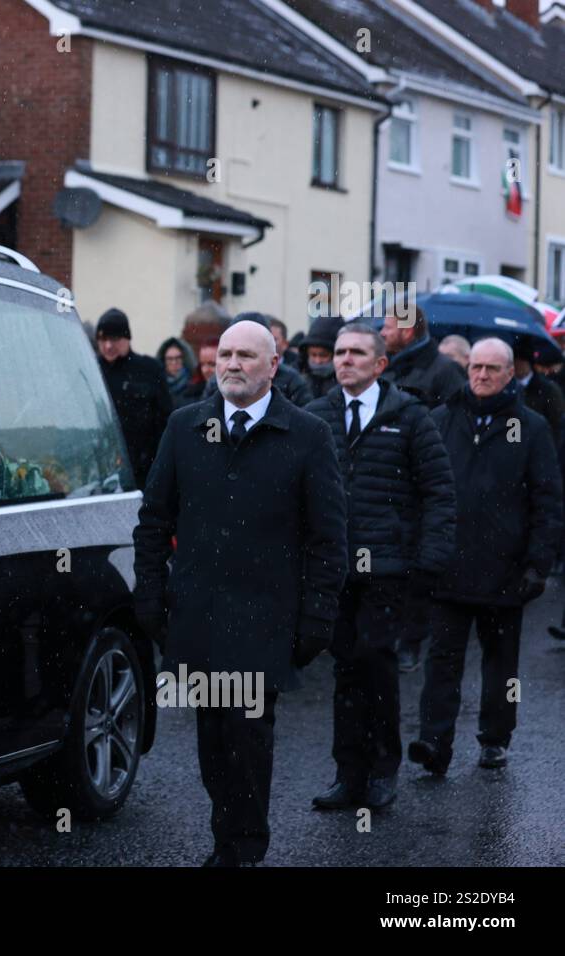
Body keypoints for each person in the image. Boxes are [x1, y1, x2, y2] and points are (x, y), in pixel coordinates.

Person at [133, 320, 347, 867]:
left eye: (246, 355)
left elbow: (328, 538)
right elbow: (154, 521)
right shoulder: (185, 426)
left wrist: (317, 620)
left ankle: (241, 851)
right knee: (211, 744)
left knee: (246, 743)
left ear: (274, 365)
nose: (231, 363)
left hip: (264, 620)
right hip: (197, 617)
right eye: (225, 353)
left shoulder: (306, 435)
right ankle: (229, 837)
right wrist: (151, 599)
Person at [304, 324, 455, 812]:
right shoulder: (317, 416)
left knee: (376, 663)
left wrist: (429, 560)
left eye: (356, 353)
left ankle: (382, 769)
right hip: (334, 567)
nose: (344, 360)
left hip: (388, 567)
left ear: (380, 364)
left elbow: (438, 490)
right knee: (345, 669)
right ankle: (348, 773)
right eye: (340, 352)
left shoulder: (409, 417)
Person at [410, 338, 562, 774]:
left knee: (501, 663)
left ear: (509, 373)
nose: (480, 375)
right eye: (475, 366)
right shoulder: (441, 419)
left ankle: (496, 737)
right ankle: (433, 742)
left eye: (492, 368)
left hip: (505, 568)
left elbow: (547, 500)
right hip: (449, 564)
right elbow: (424, 491)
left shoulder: (530, 427)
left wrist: (538, 564)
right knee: (442, 659)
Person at [95, 308, 174, 489]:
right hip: (101, 466)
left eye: (114, 339)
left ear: (127, 338)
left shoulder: (149, 370)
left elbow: (165, 419)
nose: (108, 346)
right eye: (102, 339)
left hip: (144, 467)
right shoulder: (91, 369)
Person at [204, 313, 313, 407]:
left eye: (245, 355)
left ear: (272, 364)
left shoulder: (292, 381)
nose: (233, 365)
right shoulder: (215, 384)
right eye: (225, 354)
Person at [380, 304, 466, 409]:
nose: (382, 333)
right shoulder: (384, 365)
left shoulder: (446, 369)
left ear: (407, 332)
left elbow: (454, 415)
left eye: (387, 328)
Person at [299, 315, 343, 401]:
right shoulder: (298, 379)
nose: (317, 361)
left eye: (323, 355)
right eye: (313, 355)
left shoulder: (346, 381)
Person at [156, 336, 198, 409]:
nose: (174, 363)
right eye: (169, 359)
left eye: (178, 358)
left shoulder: (195, 387)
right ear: (163, 361)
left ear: (184, 359)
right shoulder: (157, 387)